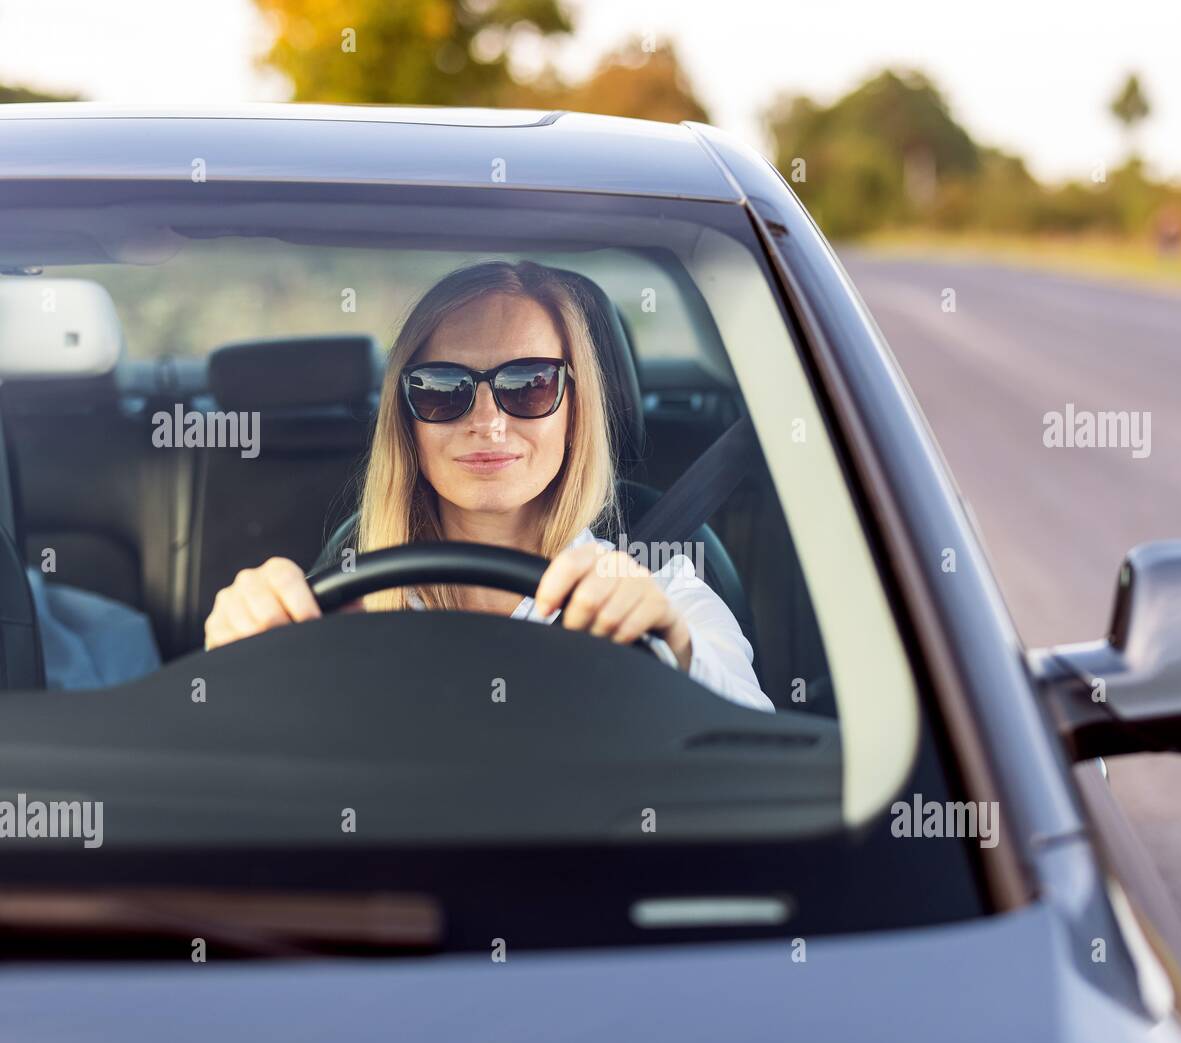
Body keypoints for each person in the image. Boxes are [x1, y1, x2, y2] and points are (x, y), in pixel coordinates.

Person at [203, 259, 772, 712]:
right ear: (407, 420)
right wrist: (239, 664)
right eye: (442, 389)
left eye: (527, 384)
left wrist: (672, 646)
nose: (487, 421)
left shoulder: (661, 589)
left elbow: (760, 764)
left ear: (575, 409)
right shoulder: (338, 613)